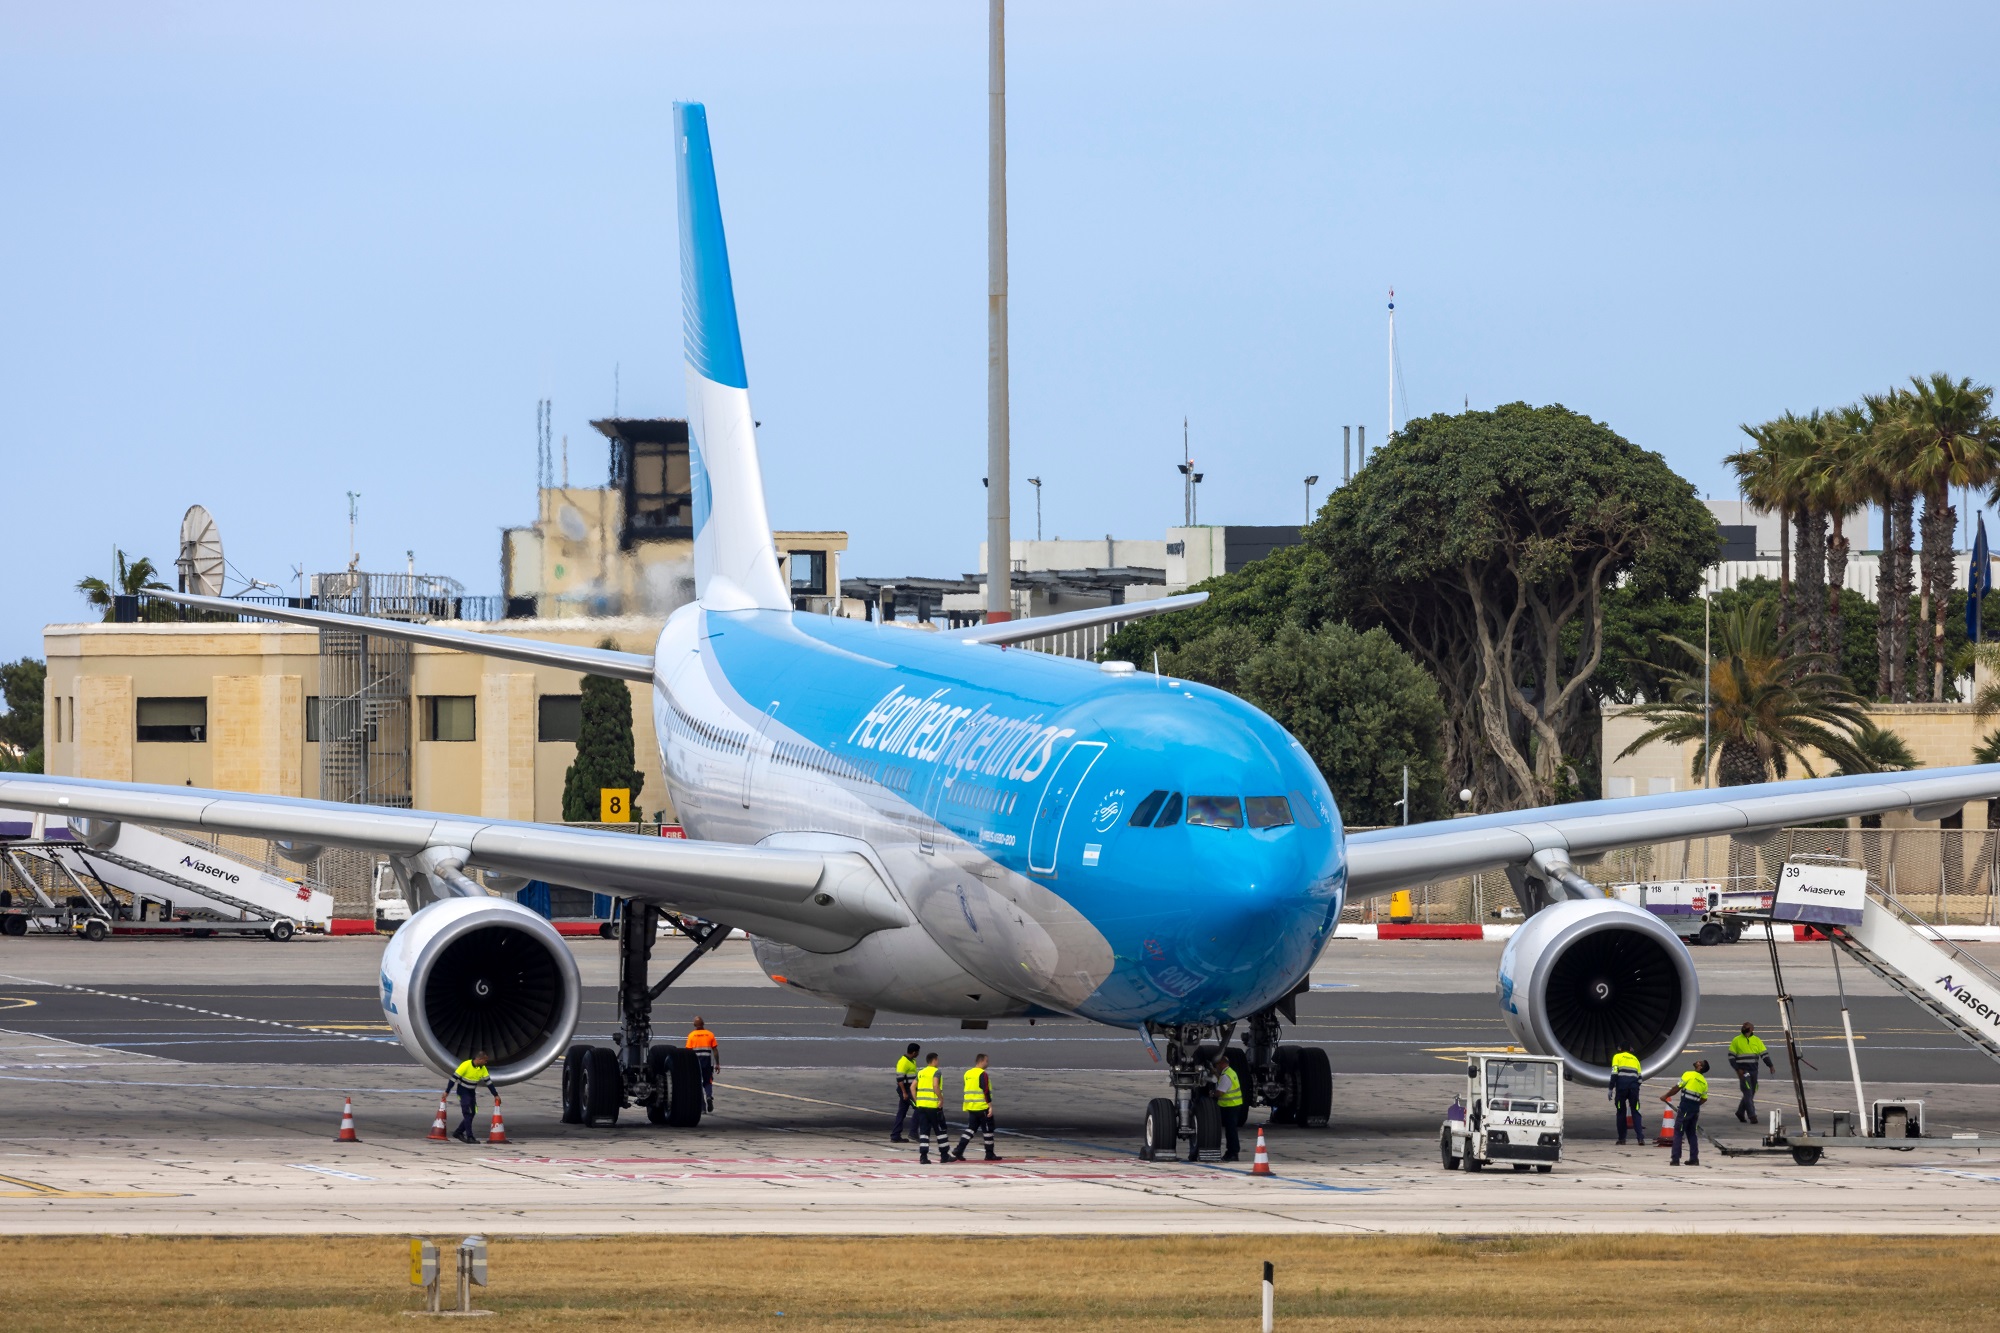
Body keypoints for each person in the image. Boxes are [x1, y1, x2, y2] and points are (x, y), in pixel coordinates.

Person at [951, 1052, 1004, 1163]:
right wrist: (989, 1106)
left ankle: (959, 1149)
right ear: (981, 1061)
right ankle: (989, 1154)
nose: (987, 1063)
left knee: (970, 1129)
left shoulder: (967, 1073)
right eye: (986, 1061)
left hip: (971, 1106)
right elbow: (985, 1090)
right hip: (982, 1106)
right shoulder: (982, 1074)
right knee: (988, 1131)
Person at [1663, 1058, 1710, 1167]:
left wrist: (1666, 1096)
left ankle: (1675, 1159)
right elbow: (1704, 1098)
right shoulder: (1704, 1082)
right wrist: (1694, 1104)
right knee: (1692, 1134)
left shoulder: (1688, 1074)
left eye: (1700, 1062)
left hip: (1685, 1109)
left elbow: (1677, 1088)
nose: (1697, 1061)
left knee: (1678, 1132)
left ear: (1700, 1067)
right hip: (1695, 1110)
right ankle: (1694, 1159)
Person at [1728, 1022, 1775, 1123]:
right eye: (1743, 1026)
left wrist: (1770, 1065)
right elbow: (1731, 1057)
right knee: (1748, 1093)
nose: (1743, 1028)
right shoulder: (1736, 1040)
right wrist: (1737, 1069)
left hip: (1754, 1071)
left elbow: (1764, 1055)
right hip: (1743, 1071)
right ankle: (1752, 1116)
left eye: (1746, 1027)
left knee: (1751, 1092)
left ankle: (1740, 1112)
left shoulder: (1757, 1040)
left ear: (1752, 1029)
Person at [913, 1051, 950, 1164]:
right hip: (933, 1107)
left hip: (922, 1107)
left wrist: (917, 1100)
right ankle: (944, 1155)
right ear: (934, 1060)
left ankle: (923, 1156)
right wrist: (941, 1099)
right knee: (940, 1130)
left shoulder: (921, 1072)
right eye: (937, 1060)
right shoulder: (936, 1072)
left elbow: (912, 1087)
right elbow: (935, 1085)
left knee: (924, 1131)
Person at [451, 1049, 491, 1144]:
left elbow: (489, 1082)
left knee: (472, 1113)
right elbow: (453, 1078)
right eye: (485, 1060)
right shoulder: (466, 1065)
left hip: (471, 1093)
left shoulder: (482, 1068)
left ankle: (458, 1132)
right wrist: (447, 1091)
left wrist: (496, 1095)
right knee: (468, 1114)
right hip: (463, 1092)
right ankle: (470, 1137)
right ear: (480, 1059)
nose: (486, 1063)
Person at [1213, 1054, 1246, 1161]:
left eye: (1217, 1064)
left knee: (1231, 1131)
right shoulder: (1231, 1072)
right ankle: (1233, 1152)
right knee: (1231, 1130)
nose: (1216, 1066)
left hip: (1229, 1107)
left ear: (1222, 1064)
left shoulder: (1226, 1076)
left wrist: (1212, 1094)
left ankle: (1232, 1152)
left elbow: (1220, 1092)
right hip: (1234, 1105)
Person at [1609, 1048, 1644, 1146]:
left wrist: (1610, 1088)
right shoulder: (1635, 1059)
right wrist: (1635, 1089)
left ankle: (1622, 1139)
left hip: (1621, 1089)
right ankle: (1640, 1138)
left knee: (1621, 1112)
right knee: (1636, 1112)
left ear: (1620, 1049)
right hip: (1633, 1089)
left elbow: (1614, 1073)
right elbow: (1640, 1078)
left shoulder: (1617, 1057)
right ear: (1630, 1049)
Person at [685, 1016, 720, 1113]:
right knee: (708, 1081)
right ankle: (709, 1096)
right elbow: (715, 1051)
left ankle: (702, 1107)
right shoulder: (710, 1034)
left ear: (694, 1025)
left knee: (697, 1084)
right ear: (703, 1023)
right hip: (706, 1061)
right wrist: (717, 1063)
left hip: (696, 1062)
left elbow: (688, 1051)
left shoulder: (691, 1035)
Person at [891, 1041, 921, 1143]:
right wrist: (904, 1092)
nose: (918, 1054)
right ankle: (913, 1132)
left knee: (902, 1112)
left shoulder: (912, 1061)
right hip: (906, 1090)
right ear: (913, 1052)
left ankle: (895, 1135)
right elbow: (899, 1079)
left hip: (910, 1089)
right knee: (918, 1108)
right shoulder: (903, 1062)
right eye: (917, 1052)